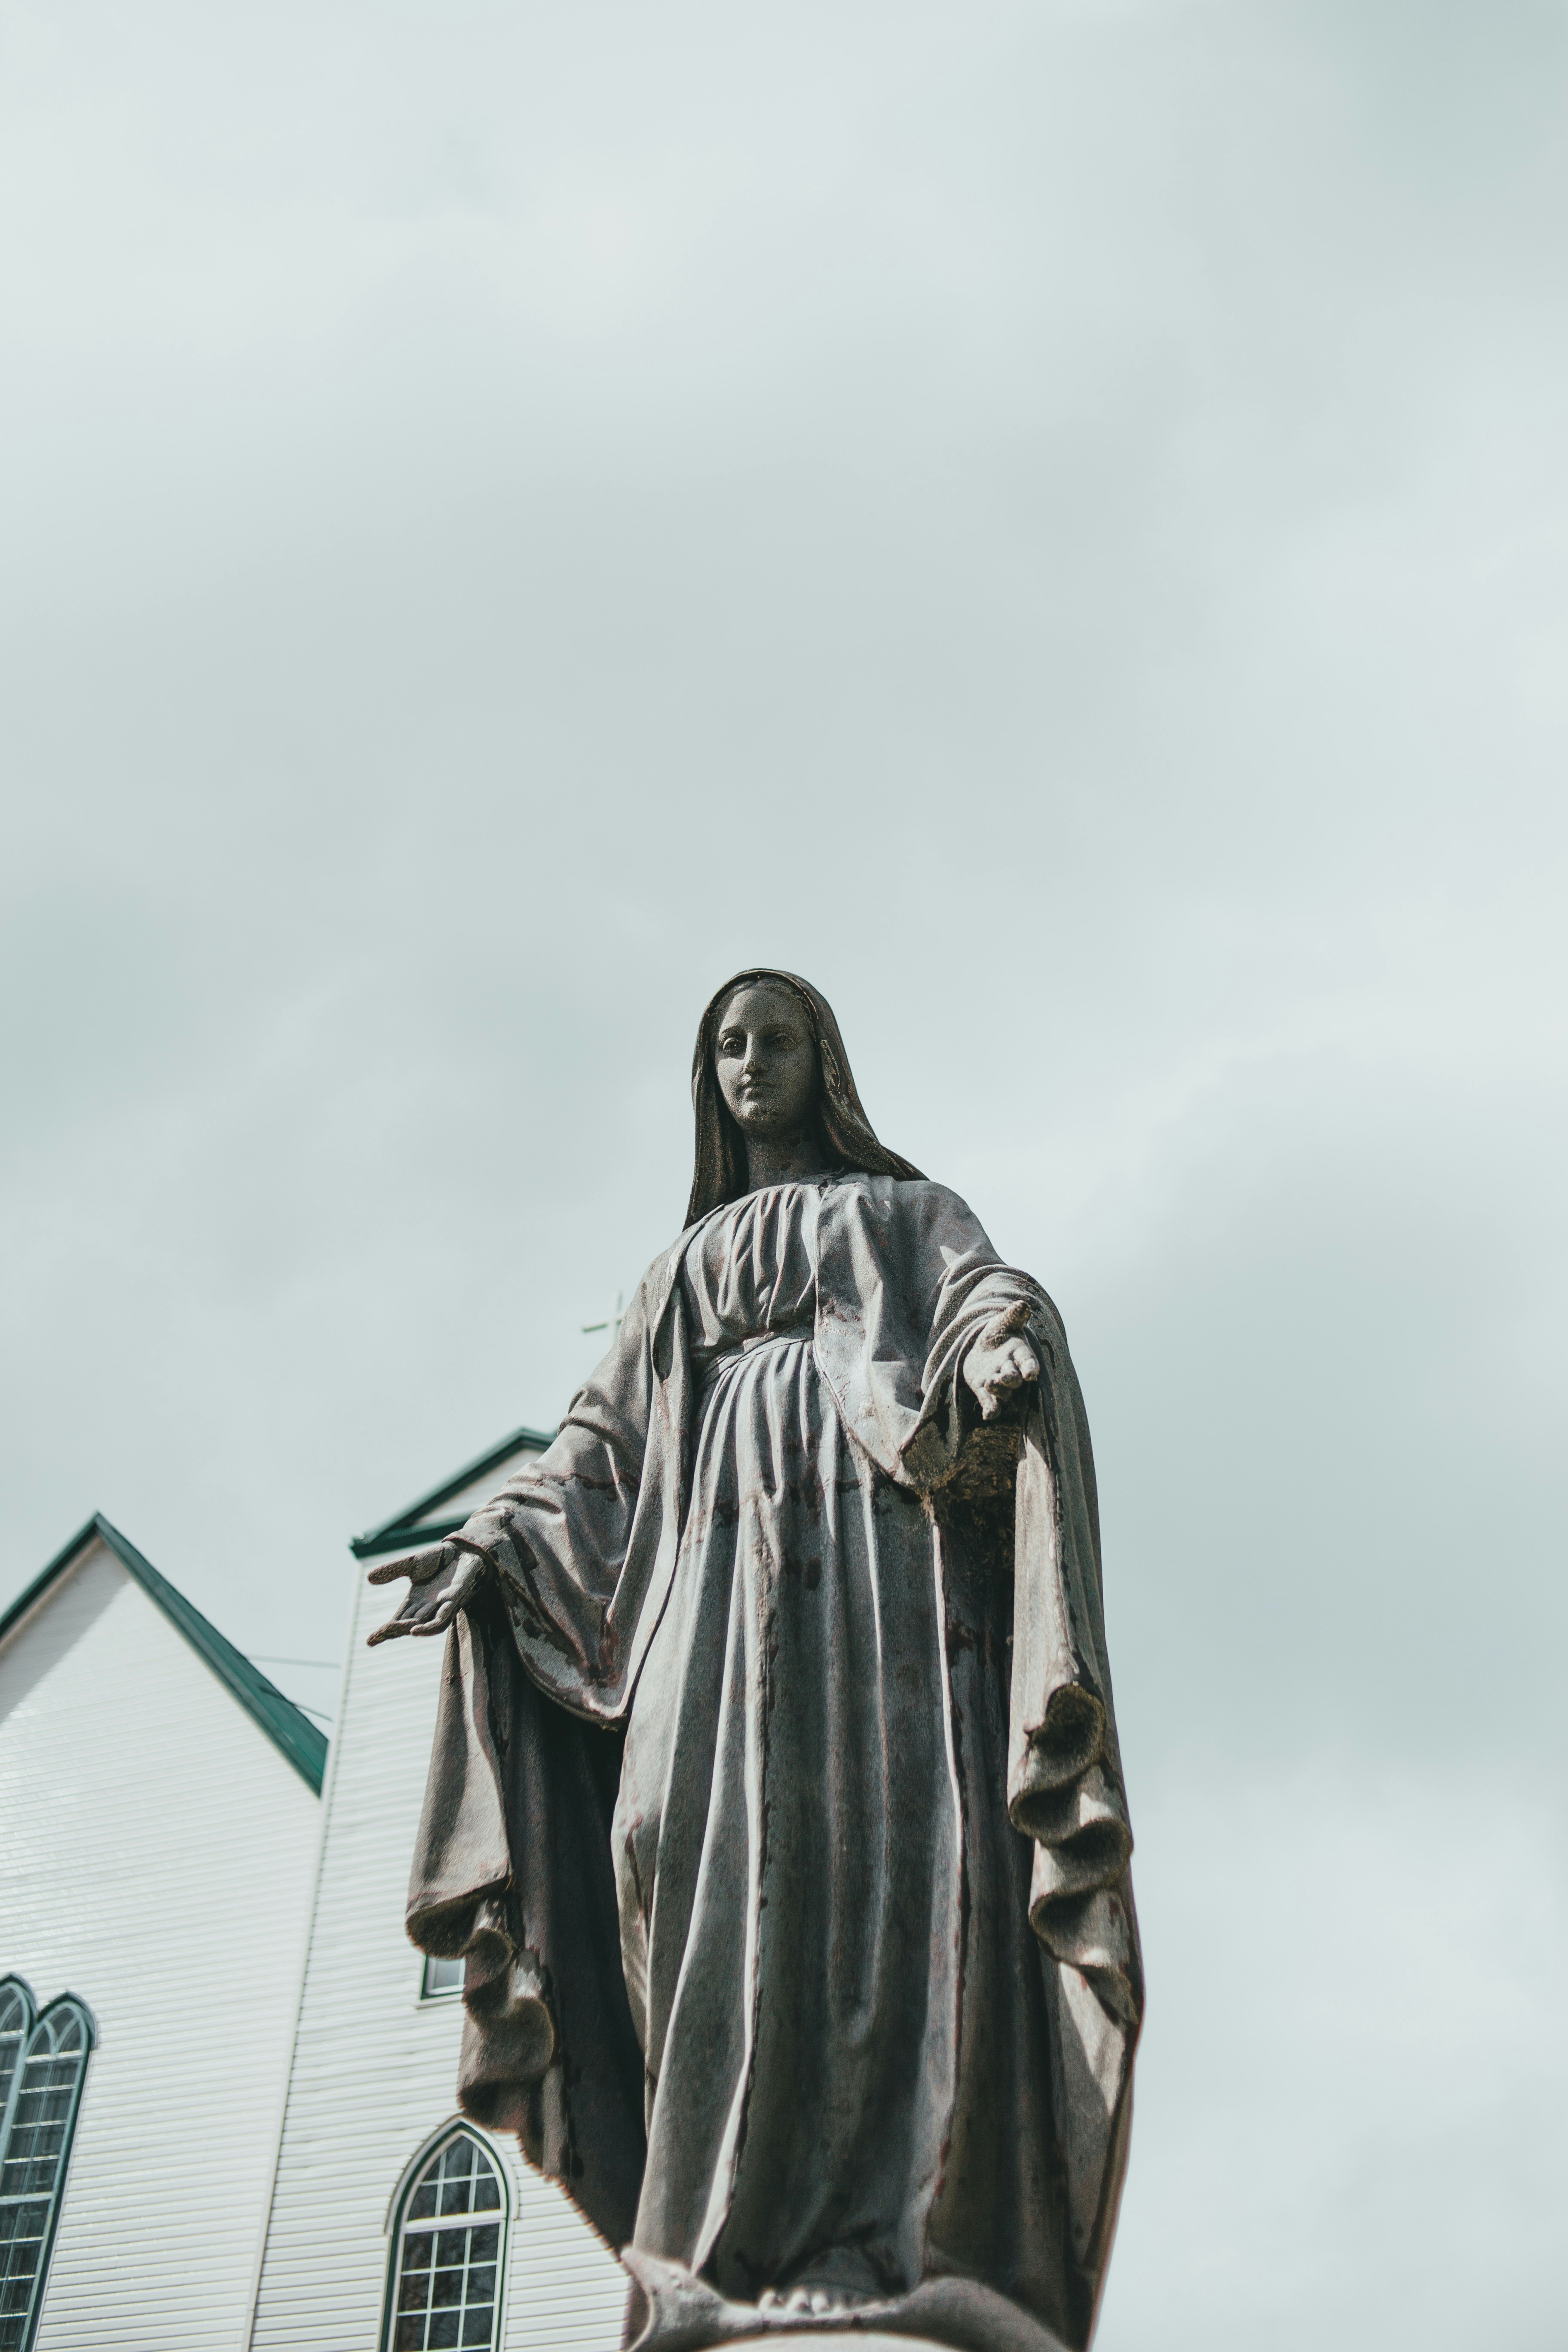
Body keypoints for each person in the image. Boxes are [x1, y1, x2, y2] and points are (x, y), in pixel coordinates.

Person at [370, 971, 1141, 2352]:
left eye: (776, 1040)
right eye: (727, 1044)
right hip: (711, 1606)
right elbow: (597, 1453)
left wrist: (1000, 1353)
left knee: (879, 1869)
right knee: (671, 1846)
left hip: (882, 1587)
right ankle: (713, 2238)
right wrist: (494, 1546)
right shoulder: (678, 1272)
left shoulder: (902, 1215)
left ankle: (898, 2227)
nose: (749, 1064)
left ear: (824, 1063)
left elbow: (982, 1299)